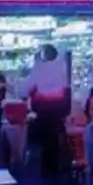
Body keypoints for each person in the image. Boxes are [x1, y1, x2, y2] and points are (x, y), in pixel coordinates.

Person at [28, 44, 71, 177]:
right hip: (58, 113)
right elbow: (66, 91)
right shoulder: (62, 70)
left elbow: (29, 89)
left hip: (42, 113)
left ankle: (47, 171)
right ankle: (55, 169)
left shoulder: (39, 70)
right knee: (55, 143)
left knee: (46, 144)